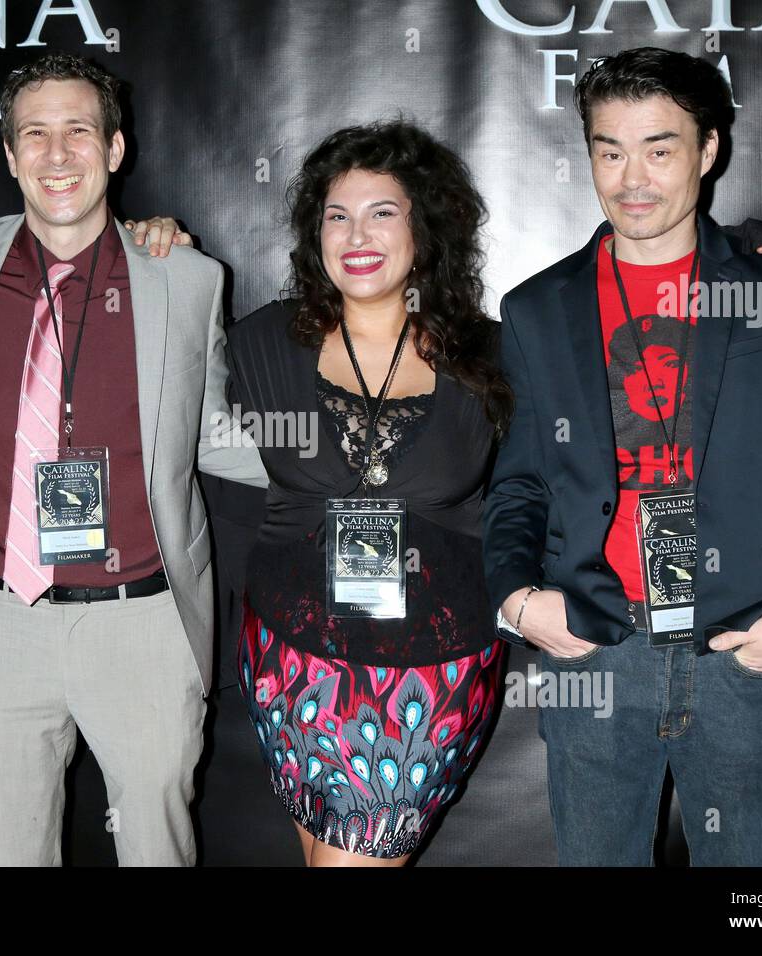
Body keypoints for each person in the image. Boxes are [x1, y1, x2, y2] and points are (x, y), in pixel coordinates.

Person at [482, 47, 762, 866]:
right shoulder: (538, 309)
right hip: (596, 648)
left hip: (744, 655)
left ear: (708, 151)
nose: (633, 177)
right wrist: (518, 600)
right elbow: (518, 484)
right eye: (609, 149)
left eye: (660, 149)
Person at [0, 52, 267, 867]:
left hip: (143, 624)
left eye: (79, 130)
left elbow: (211, 432)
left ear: (116, 149)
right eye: (33, 134)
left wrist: (356, 460)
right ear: (7, 155)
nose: (57, 153)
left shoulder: (184, 276)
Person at [227, 121, 512, 866]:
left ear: (426, 228)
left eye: (383, 211)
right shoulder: (259, 343)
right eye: (337, 215)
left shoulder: (492, 356)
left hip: (432, 669)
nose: (357, 233)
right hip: (291, 659)